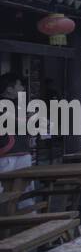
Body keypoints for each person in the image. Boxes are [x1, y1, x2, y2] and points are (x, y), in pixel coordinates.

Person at [0, 73, 34, 209]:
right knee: (4, 189)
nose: (22, 88)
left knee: (26, 190)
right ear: (9, 88)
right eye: (19, 85)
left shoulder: (20, 105)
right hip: (6, 154)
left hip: (23, 152)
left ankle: (29, 219)